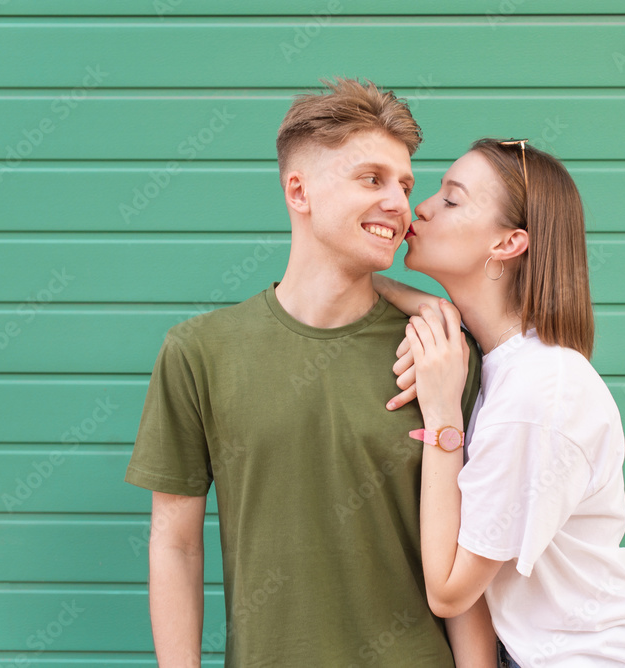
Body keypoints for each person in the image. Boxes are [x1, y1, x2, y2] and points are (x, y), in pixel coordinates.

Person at [124, 78, 497, 667]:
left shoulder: (439, 353)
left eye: (405, 184)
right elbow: (174, 545)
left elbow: (467, 559)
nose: (400, 204)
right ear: (299, 191)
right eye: (371, 179)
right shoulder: (200, 352)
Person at [373, 139, 625, 667]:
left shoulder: (536, 396)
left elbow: (449, 591)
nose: (420, 207)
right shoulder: (506, 362)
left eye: (452, 200)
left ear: (509, 242)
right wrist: (420, 300)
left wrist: (444, 418)